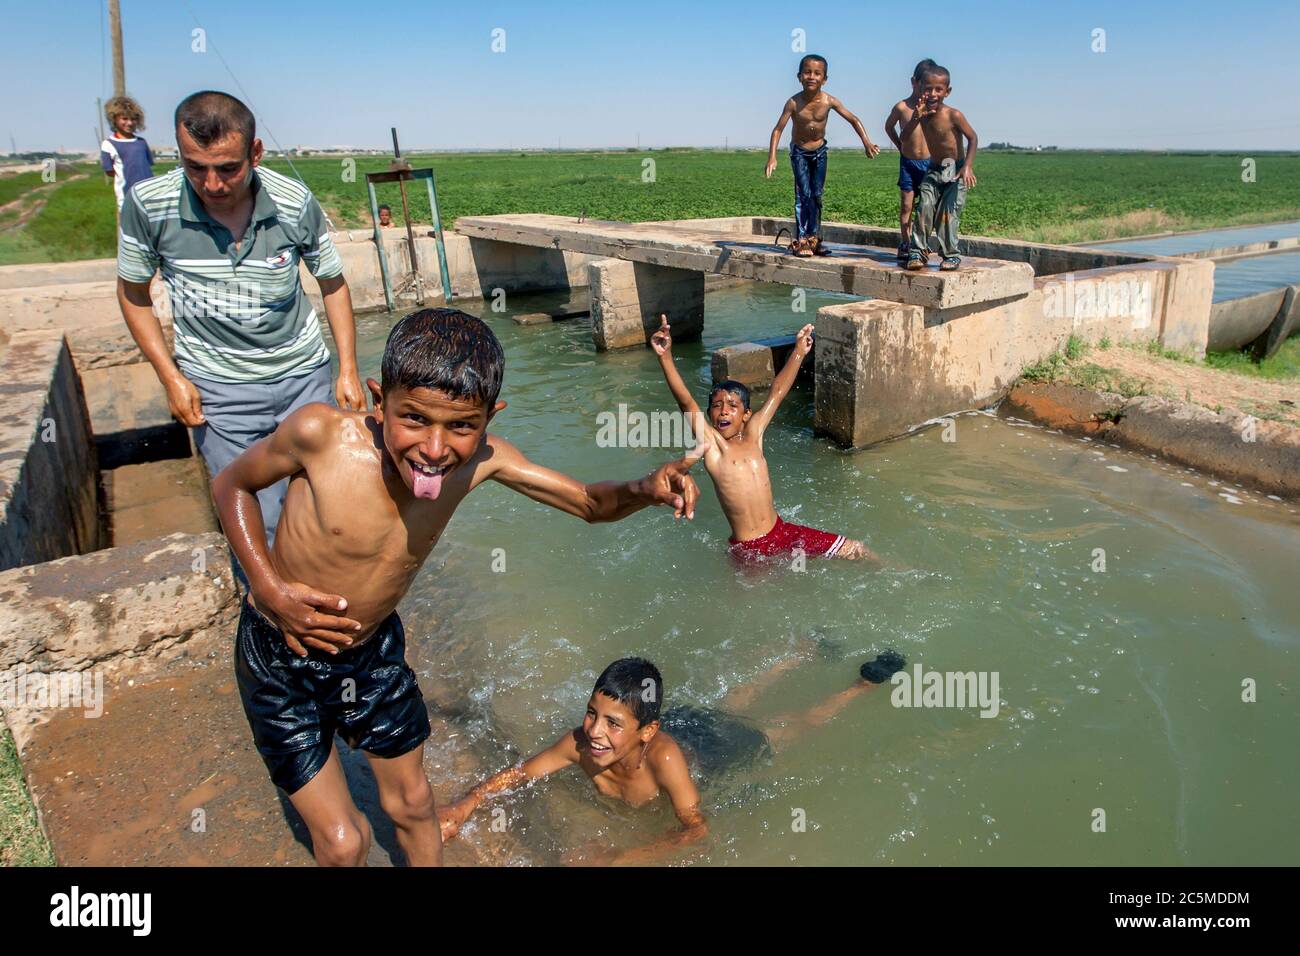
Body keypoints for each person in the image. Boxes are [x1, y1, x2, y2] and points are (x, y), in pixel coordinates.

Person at [211, 308, 703, 866]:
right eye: (414, 419)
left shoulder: (484, 464)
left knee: (416, 805)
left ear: (491, 418)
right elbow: (231, 486)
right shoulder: (319, 435)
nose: (435, 449)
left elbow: (590, 503)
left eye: (462, 426)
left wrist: (645, 487)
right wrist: (271, 590)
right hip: (281, 654)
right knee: (346, 844)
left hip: (369, 654)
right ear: (379, 400)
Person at [116, 91, 365, 552]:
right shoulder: (149, 205)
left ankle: (330, 602)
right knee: (252, 513)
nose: (212, 184)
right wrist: (170, 377)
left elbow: (332, 283)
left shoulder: (292, 201)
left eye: (228, 168)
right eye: (195, 167)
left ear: (255, 153)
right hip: (219, 390)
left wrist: (347, 368)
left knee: (324, 503)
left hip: (303, 378)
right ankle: (270, 612)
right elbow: (133, 296)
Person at [437, 650, 905, 865]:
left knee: (789, 727)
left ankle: (862, 683)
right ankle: (797, 655)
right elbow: (520, 774)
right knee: (730, 702)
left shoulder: (664, 761)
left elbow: (696, 827)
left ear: (645, 731)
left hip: (711, 753)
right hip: (673, 724)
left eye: (611, 723)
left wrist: (624, 857)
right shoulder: (580, 743)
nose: (594, 731)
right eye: (591, 714)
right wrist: (465, 803)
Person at [652, 316, 881, 562]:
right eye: (717, 406)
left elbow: (778, 392)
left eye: (732, 406)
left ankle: (897, 571)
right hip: (749, 549)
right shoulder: (714, 447)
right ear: (709, 415)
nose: (724, 411)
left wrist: (799, 352)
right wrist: (665, 357)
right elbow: (686, 401)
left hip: (782, 531)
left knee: (856, 549)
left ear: (746, 414)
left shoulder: (754, 434)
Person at [764, 54, 880, 258]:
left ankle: (814, 239)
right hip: (799, 152)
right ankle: (802, 240)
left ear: (824, 79)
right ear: (799, 76)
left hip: (819, 153)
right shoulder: (793, 102)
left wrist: (867, 142)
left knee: (816, 195)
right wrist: (772, 156)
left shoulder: (829, 101)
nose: (812, 76)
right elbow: (777, 130)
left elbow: (853, 119)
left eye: (817, 73)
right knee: (803, 194)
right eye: (807, 72)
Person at [901, 65, 979, 272]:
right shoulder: (921, 114)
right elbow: (904, 137)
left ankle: (951, 255)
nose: (932, 94)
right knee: (924, 206)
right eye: (928, 88)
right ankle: (918, 252)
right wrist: (916, 117)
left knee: (948, 213)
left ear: (947, 91)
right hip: (934, 169)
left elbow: (972, 138)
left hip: (955, 170)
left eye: (938, 89)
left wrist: (968, 166)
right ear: (919, 88)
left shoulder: (953, 115)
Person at [884, 59, 937, 263]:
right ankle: (905, 242)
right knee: (906, 205)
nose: (927, 91)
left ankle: (920, 243)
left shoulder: (935, 109)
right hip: (908, 163)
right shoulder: (902, 107)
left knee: (926, 206)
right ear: (914, 82)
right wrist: (899, 146)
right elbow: (889, 127)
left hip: (929, 163)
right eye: (924, 85)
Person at [101, 95, 154, 214]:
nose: (129, 123)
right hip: (127, 198)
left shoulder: (141, 143)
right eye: (124, 119)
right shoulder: (108, 144)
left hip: (150, 196)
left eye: (133, 119)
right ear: (114, 119)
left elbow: (147, 167)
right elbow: (110, 172)